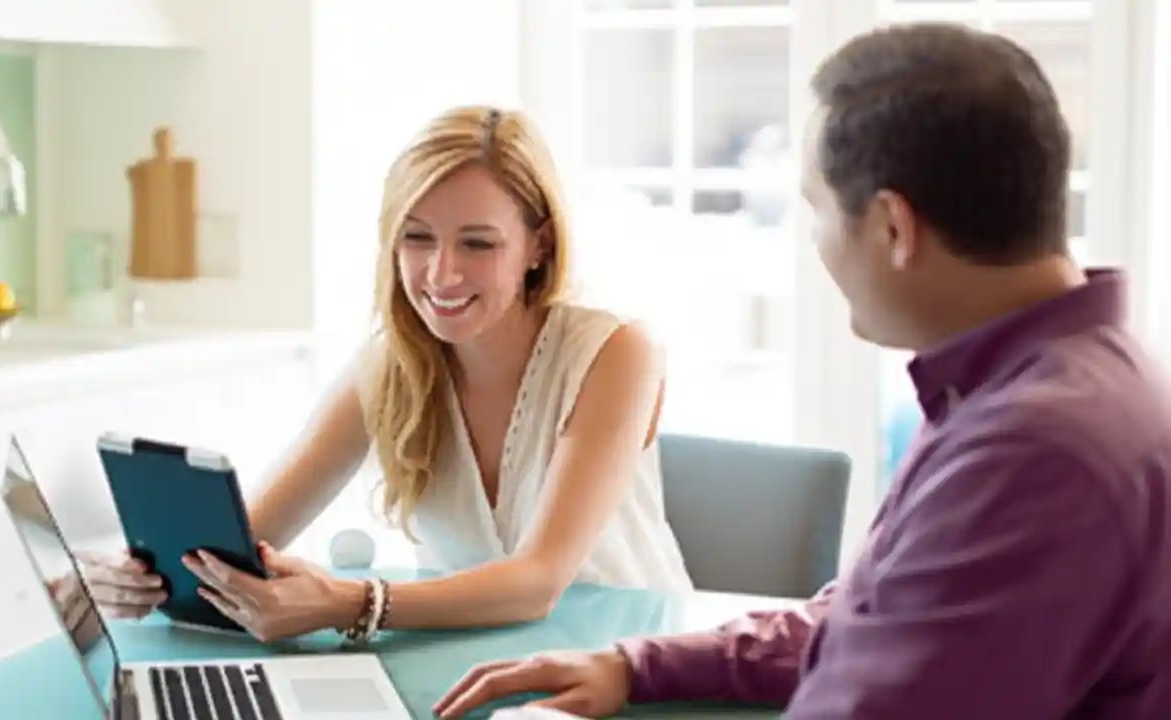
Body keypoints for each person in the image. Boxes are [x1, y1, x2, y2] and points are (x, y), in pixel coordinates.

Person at [432, 22, 1171, 720]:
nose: (812, 244)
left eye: (816, 210)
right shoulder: (1054, 387)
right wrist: (639, 665)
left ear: (893, 228)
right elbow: (876, 619)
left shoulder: (1034, 454)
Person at [79, 105, 692, 641]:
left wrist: (348, 603)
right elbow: (240, 543)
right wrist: (134, 576)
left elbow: (537, 582)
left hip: (633, 668)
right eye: (417, 238)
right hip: (477, 668)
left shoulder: (617, 353)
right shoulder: (388, 368)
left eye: (478, 244)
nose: (441, 273)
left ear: (539, 246)